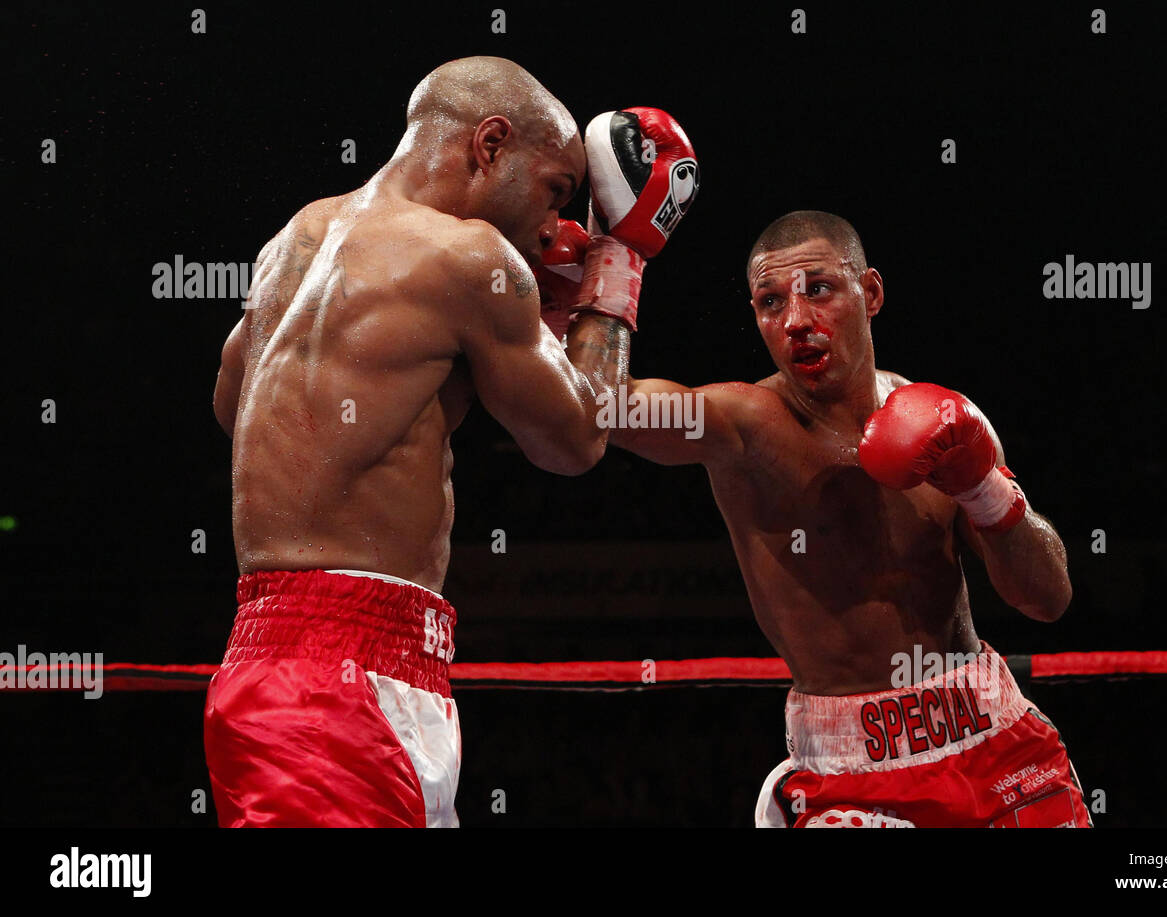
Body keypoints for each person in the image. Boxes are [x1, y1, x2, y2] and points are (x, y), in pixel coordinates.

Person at [204, 55, 696, 826]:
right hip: (344, 684)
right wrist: (618, 267)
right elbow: (577, 441)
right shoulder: (469, 258)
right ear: (490, 143)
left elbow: (235, 406)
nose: (549, 227)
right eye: (556, 191)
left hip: (275, 666)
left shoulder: (295, 237)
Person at [609, 211, 1089, 827]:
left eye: (819, 290)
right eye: (770, 301)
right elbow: (597, 409)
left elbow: (1048, 598)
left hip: (997, 738)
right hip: (852, 774)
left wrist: (983, 487)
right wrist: (611, 261)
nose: (796, 322)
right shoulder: (743, 424)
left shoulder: (941, 420)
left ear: (871, 293)